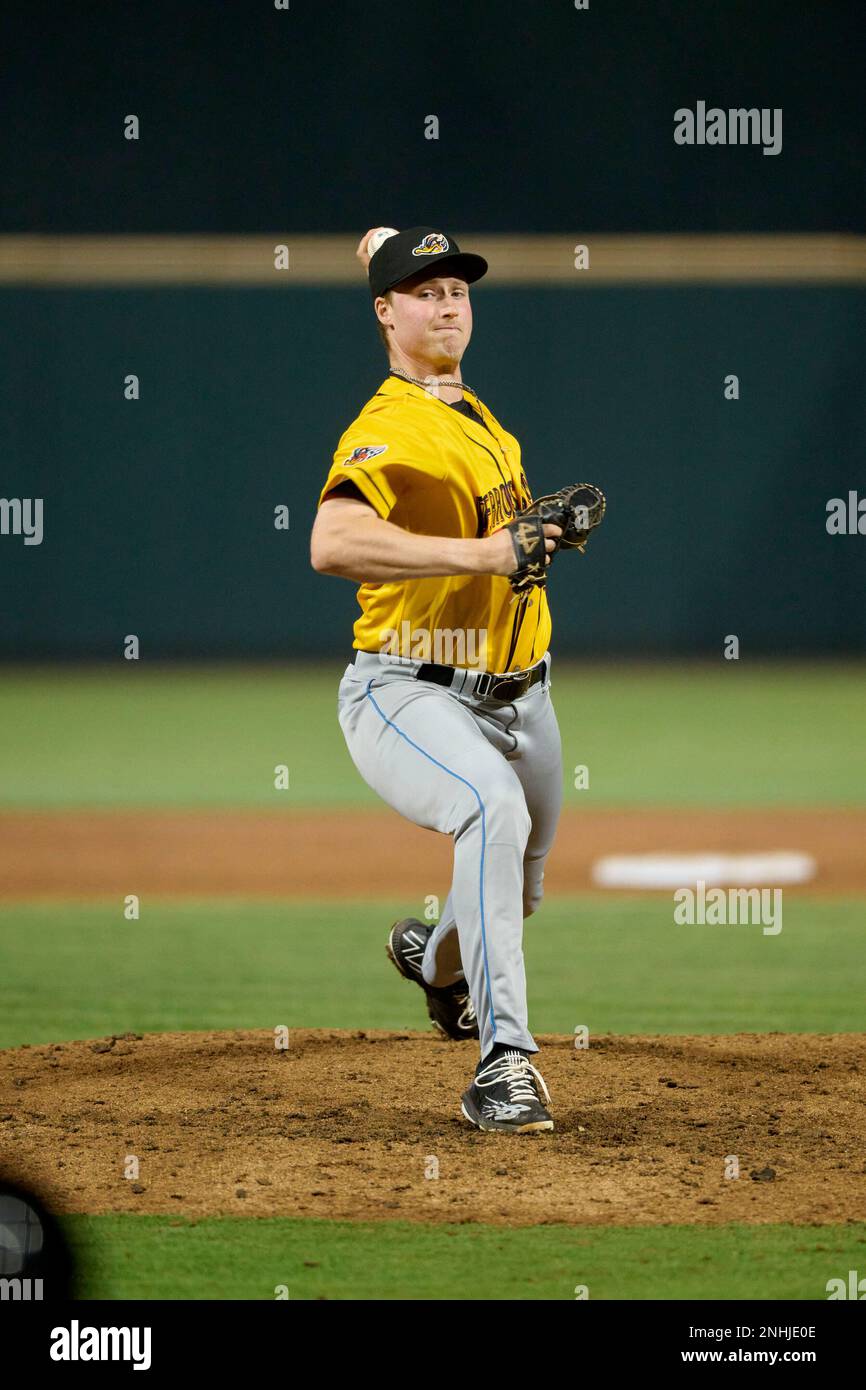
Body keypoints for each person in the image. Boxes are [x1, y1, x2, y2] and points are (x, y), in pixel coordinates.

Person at [311, 226, 564, 1133]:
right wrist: (492, 550)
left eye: (457, 287)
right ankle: (505, 1068)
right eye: (424, 290)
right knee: (491, 810)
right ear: (386, 312)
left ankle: (437, 966)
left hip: (522, 695)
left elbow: (500, 552)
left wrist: (535, 535)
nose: (449, 301)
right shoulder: (386, 426)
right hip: (408, 687)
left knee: (519, 885)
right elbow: (330, 543)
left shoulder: (481, 419)